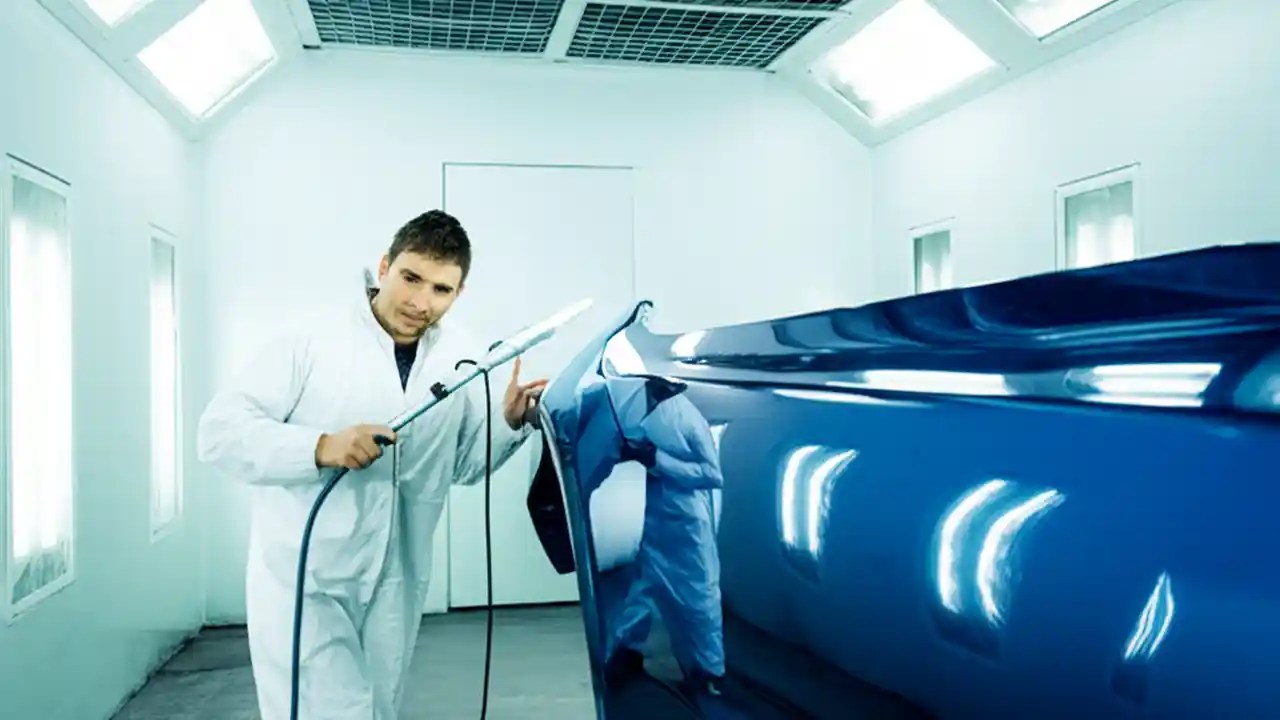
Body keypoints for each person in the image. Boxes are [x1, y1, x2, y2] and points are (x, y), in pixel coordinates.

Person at [196, 210, 547, 720]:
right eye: (410, 278)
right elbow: (219, 432)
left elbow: (465, 466)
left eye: (441, 290)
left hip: (396, 578)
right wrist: (320, 446)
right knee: (329, 711)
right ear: (384, 266)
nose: (420, 302)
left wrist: (510, 423)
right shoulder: (310, 339)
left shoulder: (463, 356)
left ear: (459, 293)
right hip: (307, 576)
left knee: (377, 709)